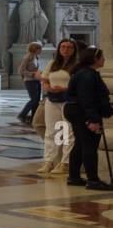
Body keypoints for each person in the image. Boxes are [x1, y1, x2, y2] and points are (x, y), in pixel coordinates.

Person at [63, 46, 112, 189]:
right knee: (90, 146)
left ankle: (74, 177)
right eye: (102, 57)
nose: (104, 59)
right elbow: (87, 98)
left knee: (80, 144)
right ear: (95, 59)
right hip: (82, 112)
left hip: (78, 110)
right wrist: (93, 119)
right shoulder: (87, 75)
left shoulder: (85, 73)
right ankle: (93, 180)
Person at [39, 38, 78, 175]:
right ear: (59, 49)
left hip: (68, 100)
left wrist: (64, 89)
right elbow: (44, 80)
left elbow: (78, 85)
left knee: (67, 131)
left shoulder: (77, 65)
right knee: (52, 131)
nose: (66, 50)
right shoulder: (53, 63)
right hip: (52, 100)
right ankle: (50, 160)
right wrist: (48, 87)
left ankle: (65, 163)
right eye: (63, 47)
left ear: (74, 50)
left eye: (69, 47)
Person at [17, 41, 43, 124]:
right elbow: (21, 70)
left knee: (37, 100)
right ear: (35, 49)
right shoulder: (28, 57)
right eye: (40, 48)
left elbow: (35, 68)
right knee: (34, 99)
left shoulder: (36, 57)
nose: (41, 50)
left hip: (36, 80)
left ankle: (34, 117)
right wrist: (32, 74)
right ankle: (22, 114)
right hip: (30, 81)